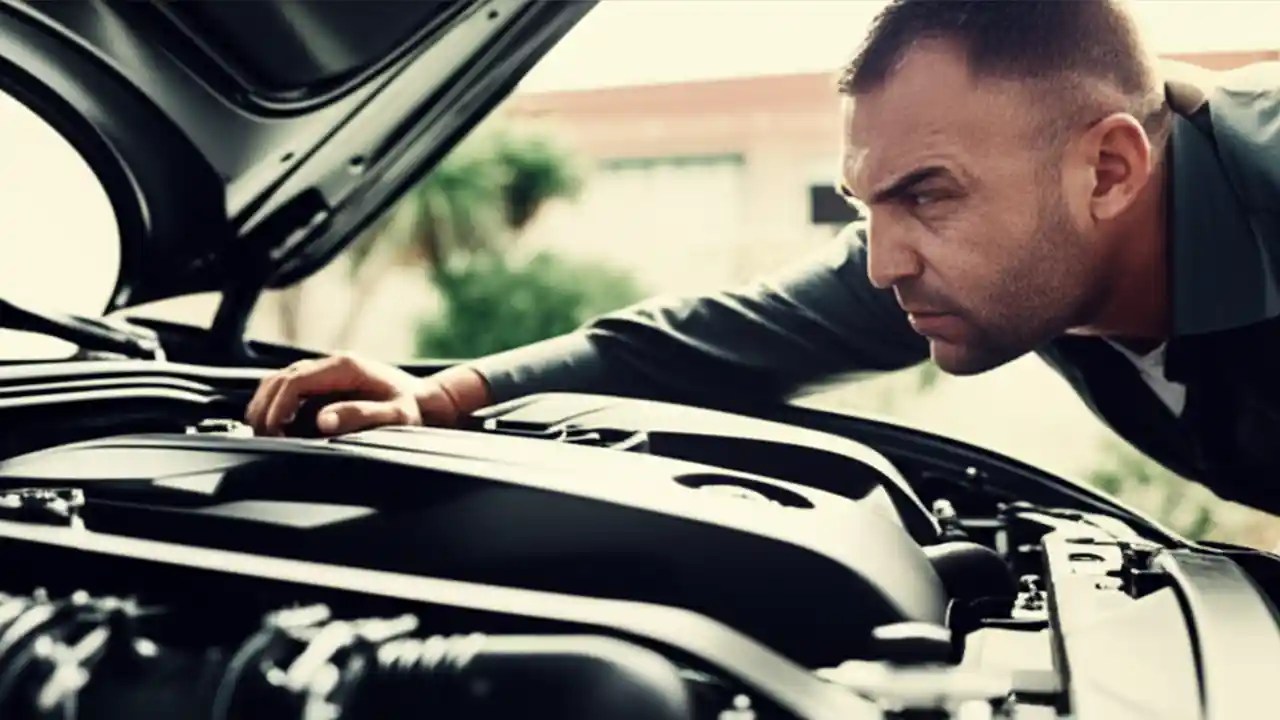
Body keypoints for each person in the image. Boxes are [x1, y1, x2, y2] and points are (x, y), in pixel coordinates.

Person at [245, 0, 1280, 514]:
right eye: (866, 203)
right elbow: (704, 346)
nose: (882, 265)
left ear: (1108, 172)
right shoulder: (988, 238)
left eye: (926, 194)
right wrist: (441, 397)